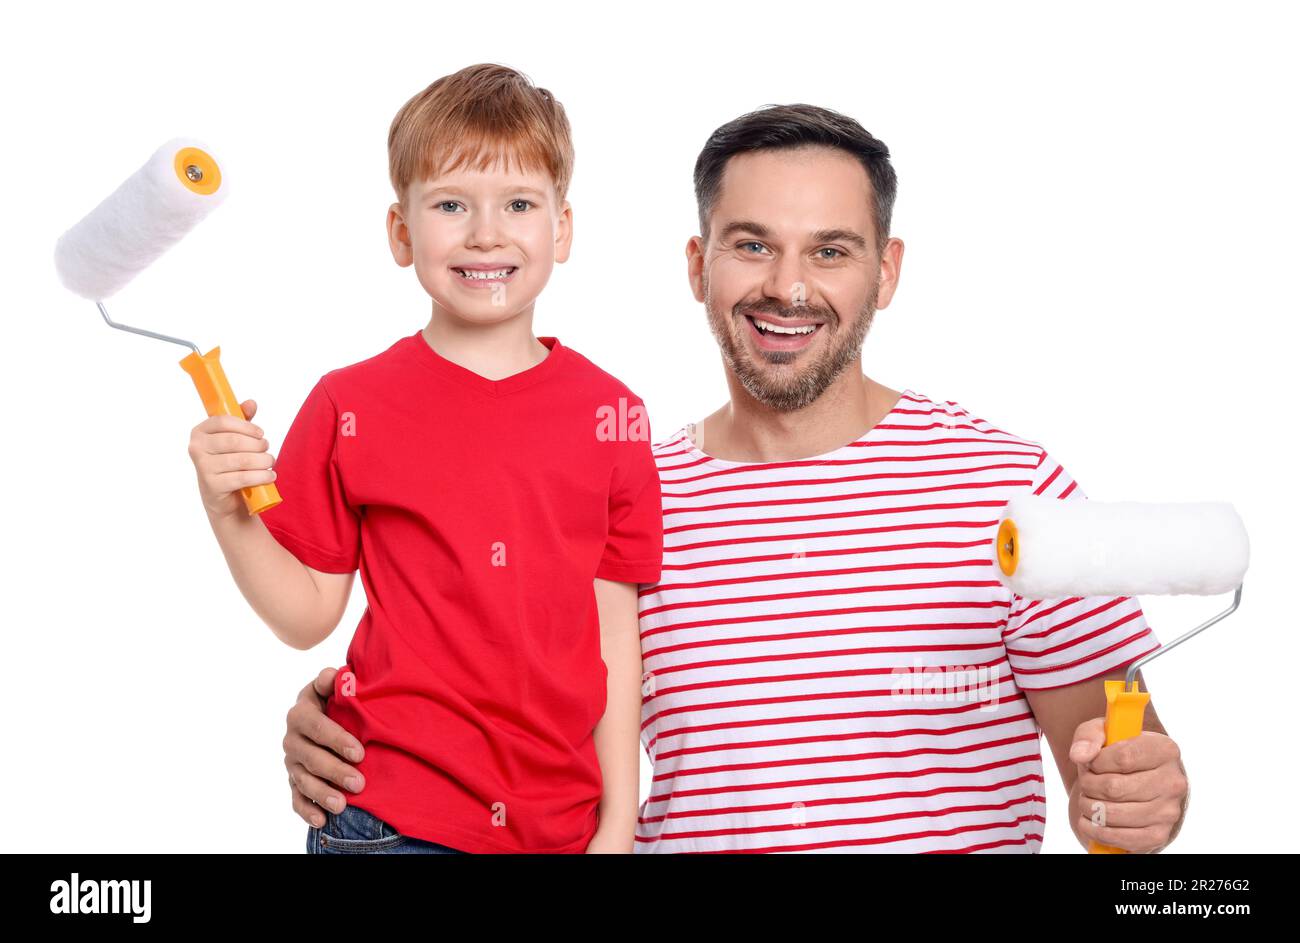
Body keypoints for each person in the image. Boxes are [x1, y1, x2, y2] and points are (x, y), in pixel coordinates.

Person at [282, 103, 1190, 853]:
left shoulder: (1011, 489)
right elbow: (485, 671)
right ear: (697, 265)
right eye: (751, 245)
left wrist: (1141, 799)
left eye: (831, 251)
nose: (788, 287)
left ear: (888, 271)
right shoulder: (618, 485)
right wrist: (348, 729)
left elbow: (1117, 765)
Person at [190, 63, 662, 854]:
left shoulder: (612, 415)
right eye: (451, 205)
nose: (486, 233)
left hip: (563, 828)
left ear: (563, 228)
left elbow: (616, 633)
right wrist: (227, 510)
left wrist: (618, 823)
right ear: (402, 232)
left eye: (519, 204)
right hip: (390, 820)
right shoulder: (350, 403)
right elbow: (306, 614)